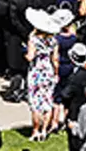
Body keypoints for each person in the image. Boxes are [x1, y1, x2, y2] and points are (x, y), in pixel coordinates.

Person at [24, 9, 60, 142]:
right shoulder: (54, 40)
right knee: (47, 101)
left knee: (35, 103)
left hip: (36, 71)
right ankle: (44, 130)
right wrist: (56, 73)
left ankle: (35, 131)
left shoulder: (33, 39)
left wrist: (25, 54)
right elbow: (55, 59)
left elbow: (30, 56)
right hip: (48, 70)